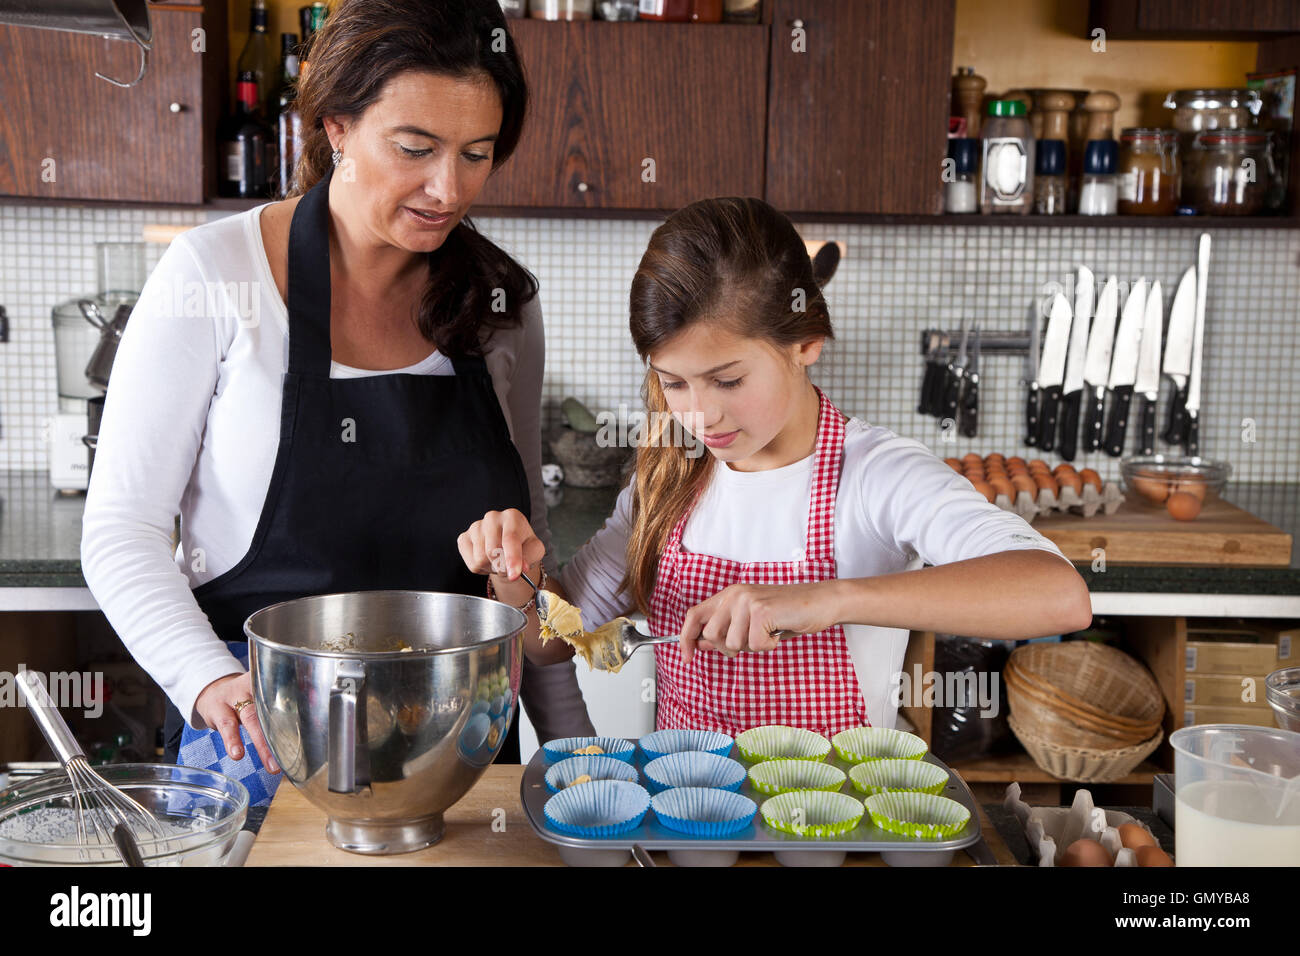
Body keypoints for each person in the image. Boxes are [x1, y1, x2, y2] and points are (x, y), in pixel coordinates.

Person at [80, 0, 594, 807]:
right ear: (336, 127)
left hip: (457, 756)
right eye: (415, 148)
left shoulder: (500, 305)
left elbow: (523, 561)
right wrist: (204, 676)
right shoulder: (215, 275)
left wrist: (575, 759)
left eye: (477, 154)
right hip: (258, 735)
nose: (447, 187)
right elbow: (120, 530)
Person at [460, 197, 1093, 738]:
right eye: (674, 383)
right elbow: (549, 643)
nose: (700, 417)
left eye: (728, 379)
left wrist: (830, 599)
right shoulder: (666, 479)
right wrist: (514, 575)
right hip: (695, 822)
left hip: (831, 831)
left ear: (806, 343)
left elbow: (1059, 596)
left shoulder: (875, 475)